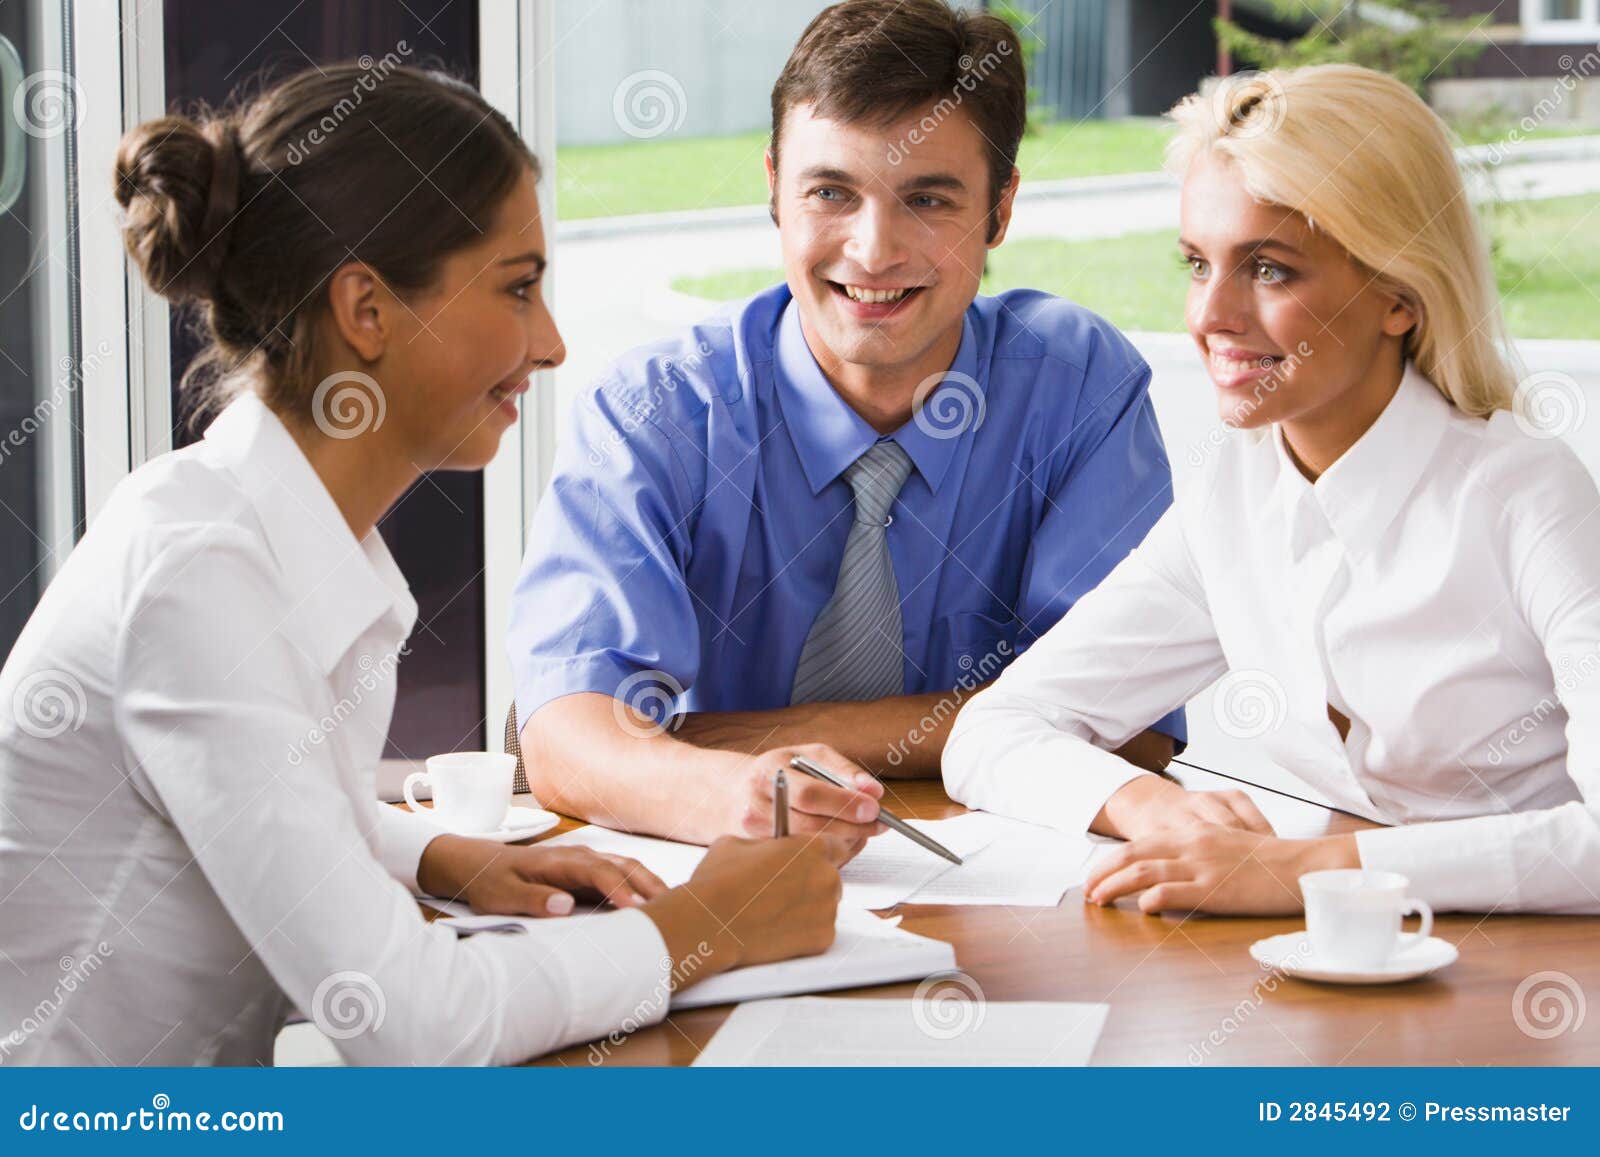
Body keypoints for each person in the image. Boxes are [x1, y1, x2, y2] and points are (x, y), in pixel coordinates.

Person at [0, 64, 843, 1068]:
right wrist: (707, 926)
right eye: (518, 288)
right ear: (367, 309)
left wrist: (445, 855)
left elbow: (263, 810)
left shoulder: (267, 533)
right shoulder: (197, 576)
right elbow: (415, 1025)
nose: (555, 342)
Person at [509, 0, 1183, 851]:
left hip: (1005, 902)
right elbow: (567, 743)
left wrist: (743, 736)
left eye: (928, 199)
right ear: (773, 191)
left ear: (1001, 210)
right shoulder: (656, 411)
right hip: (722, 883)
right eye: (831, 191)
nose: (873, 251)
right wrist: (999, 725)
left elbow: (1130, 724)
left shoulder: (1077, 385)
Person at [943, 62, 1600, 916]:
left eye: (1271, 269)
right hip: (1341, 963)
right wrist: (1161, 810)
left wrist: (1294, 871)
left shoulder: (1527, 499)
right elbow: (992, 731)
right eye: (1196, 262)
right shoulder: (1234, 495)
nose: (1212, 315)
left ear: (1399, 296)